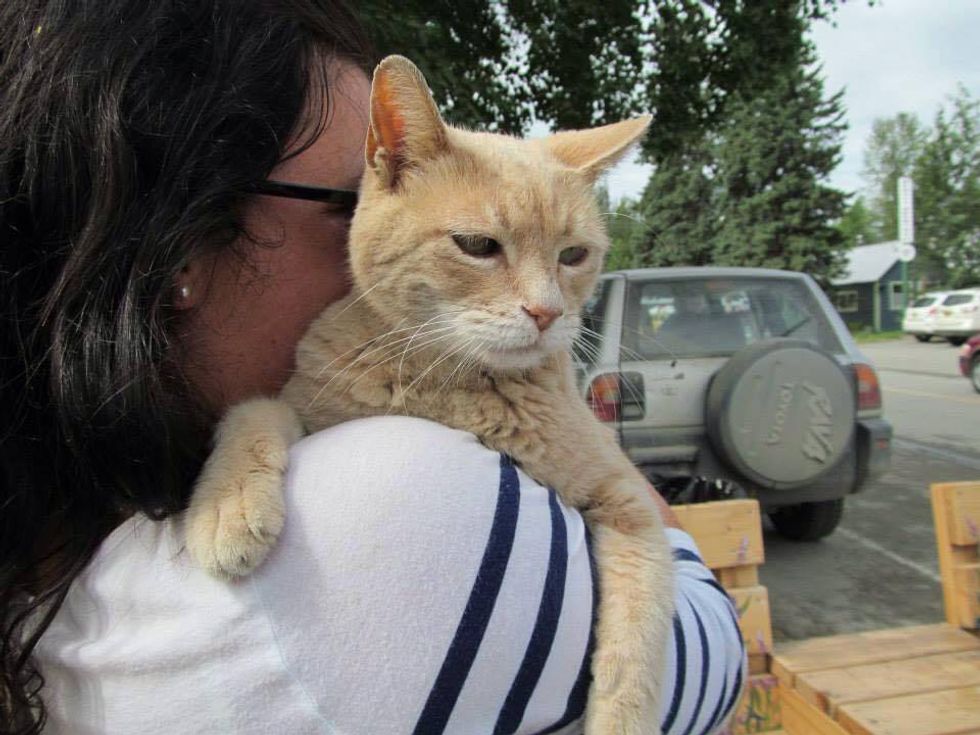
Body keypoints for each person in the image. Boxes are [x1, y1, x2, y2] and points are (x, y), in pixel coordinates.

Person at [0, 1, 746, 733]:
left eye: (573, 258)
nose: (545, 304)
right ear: (179, 242)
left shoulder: (71, 572)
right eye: (349, 198)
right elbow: (717, 652)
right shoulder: (401, 504)